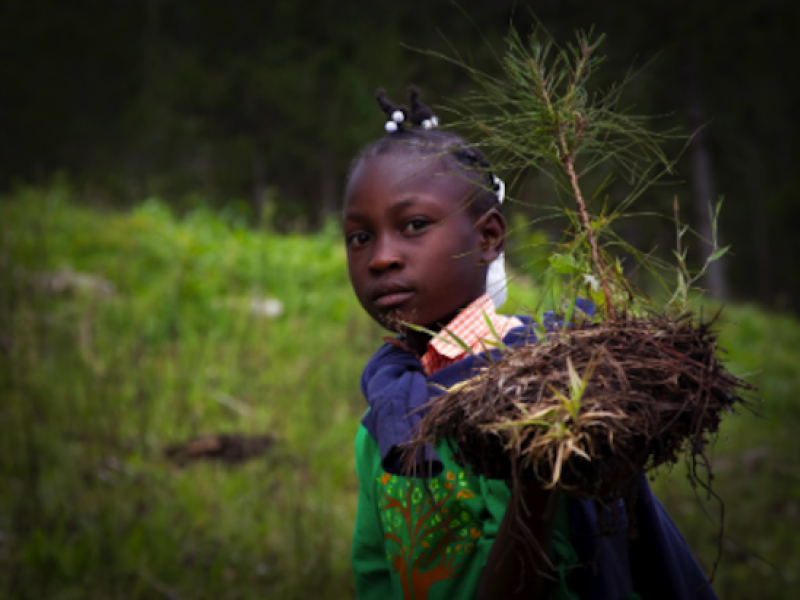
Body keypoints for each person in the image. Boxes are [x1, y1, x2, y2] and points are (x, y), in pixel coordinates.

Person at [344, 87, 717, 600]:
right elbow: (374, 572)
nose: (381, 257)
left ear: (489, 238)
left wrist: (536, 478)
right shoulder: (384, 413)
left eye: (414, 226)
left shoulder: (534, 386)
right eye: (360, 237)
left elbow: (544, 578)